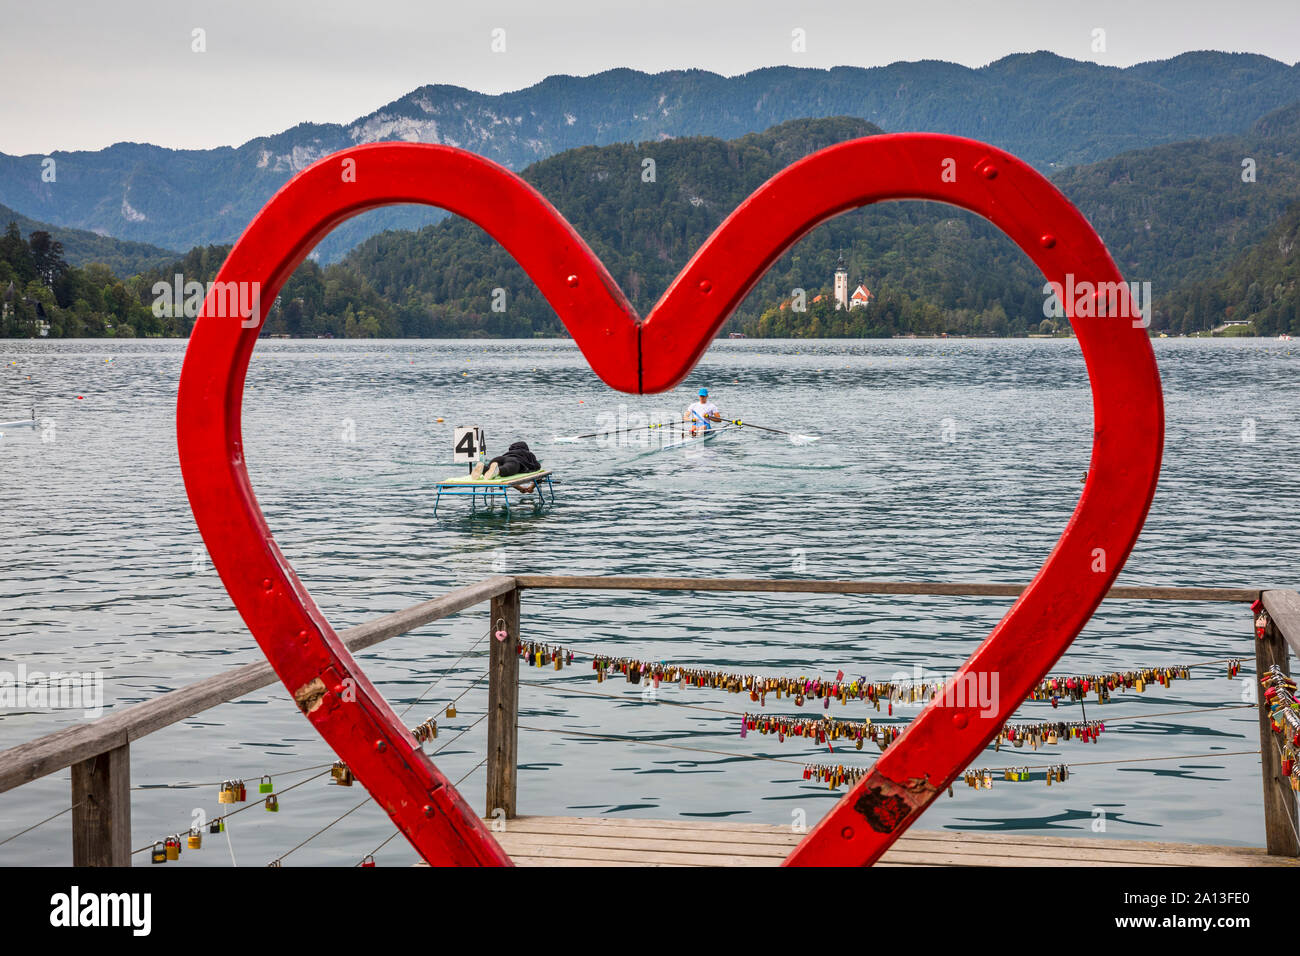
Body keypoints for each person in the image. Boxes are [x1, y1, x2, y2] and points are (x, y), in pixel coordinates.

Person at [471, 440, 543, 492]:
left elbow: (506, 481)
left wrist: (520, 489)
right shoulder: (528, 453)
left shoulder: (508, 453)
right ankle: (498, 471)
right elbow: (538, 471)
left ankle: (483, 468)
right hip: (514, 461)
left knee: (491, 470)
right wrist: (532, 487)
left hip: (499, 458)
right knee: (505, 469)